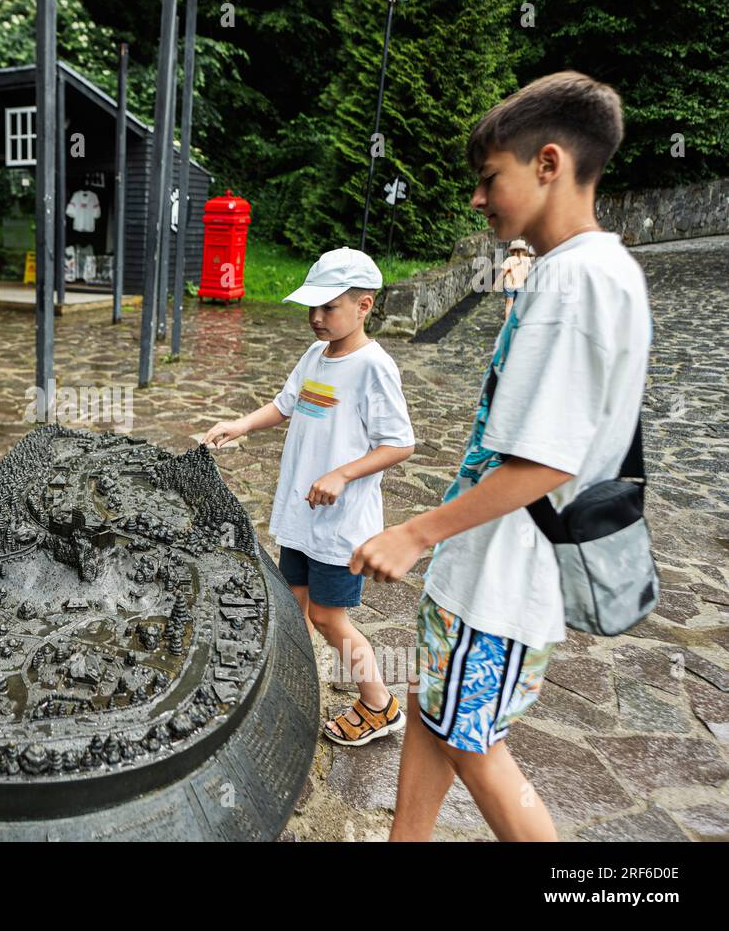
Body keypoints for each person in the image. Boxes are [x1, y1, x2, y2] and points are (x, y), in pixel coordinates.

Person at [349, 71, 652, 840]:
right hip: (484, 572)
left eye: (490, 179)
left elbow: (548, 463)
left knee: (475, 746)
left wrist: (417, 531)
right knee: (437, 711)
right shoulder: (577, 272)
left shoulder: (577, 282)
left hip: (506, 577)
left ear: (548, 163)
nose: (478, 200)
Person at [204, 247, 415, 746]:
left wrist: (343, 474)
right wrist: (240, 425)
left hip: (341, 525)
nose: (317, 319)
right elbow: (285, 403)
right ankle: (288, 690)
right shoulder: (315, 356)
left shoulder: (374, 368)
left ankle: (379, 704)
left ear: (364, 306)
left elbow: (400, 443)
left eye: (330, 308)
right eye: (312, 308)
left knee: (326, 616)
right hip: (302, 515)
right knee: (293, 606)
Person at [495, 238, 534, 321]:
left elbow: (503, 273)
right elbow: (530, 272)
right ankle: (519, 320)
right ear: (523, 250)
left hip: (509, 286)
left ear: (512, 251)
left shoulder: (509, 260)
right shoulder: (527, 260)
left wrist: (496, 283)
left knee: (508, 304)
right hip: (521, 286)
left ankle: (506, 321)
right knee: (519, 304)